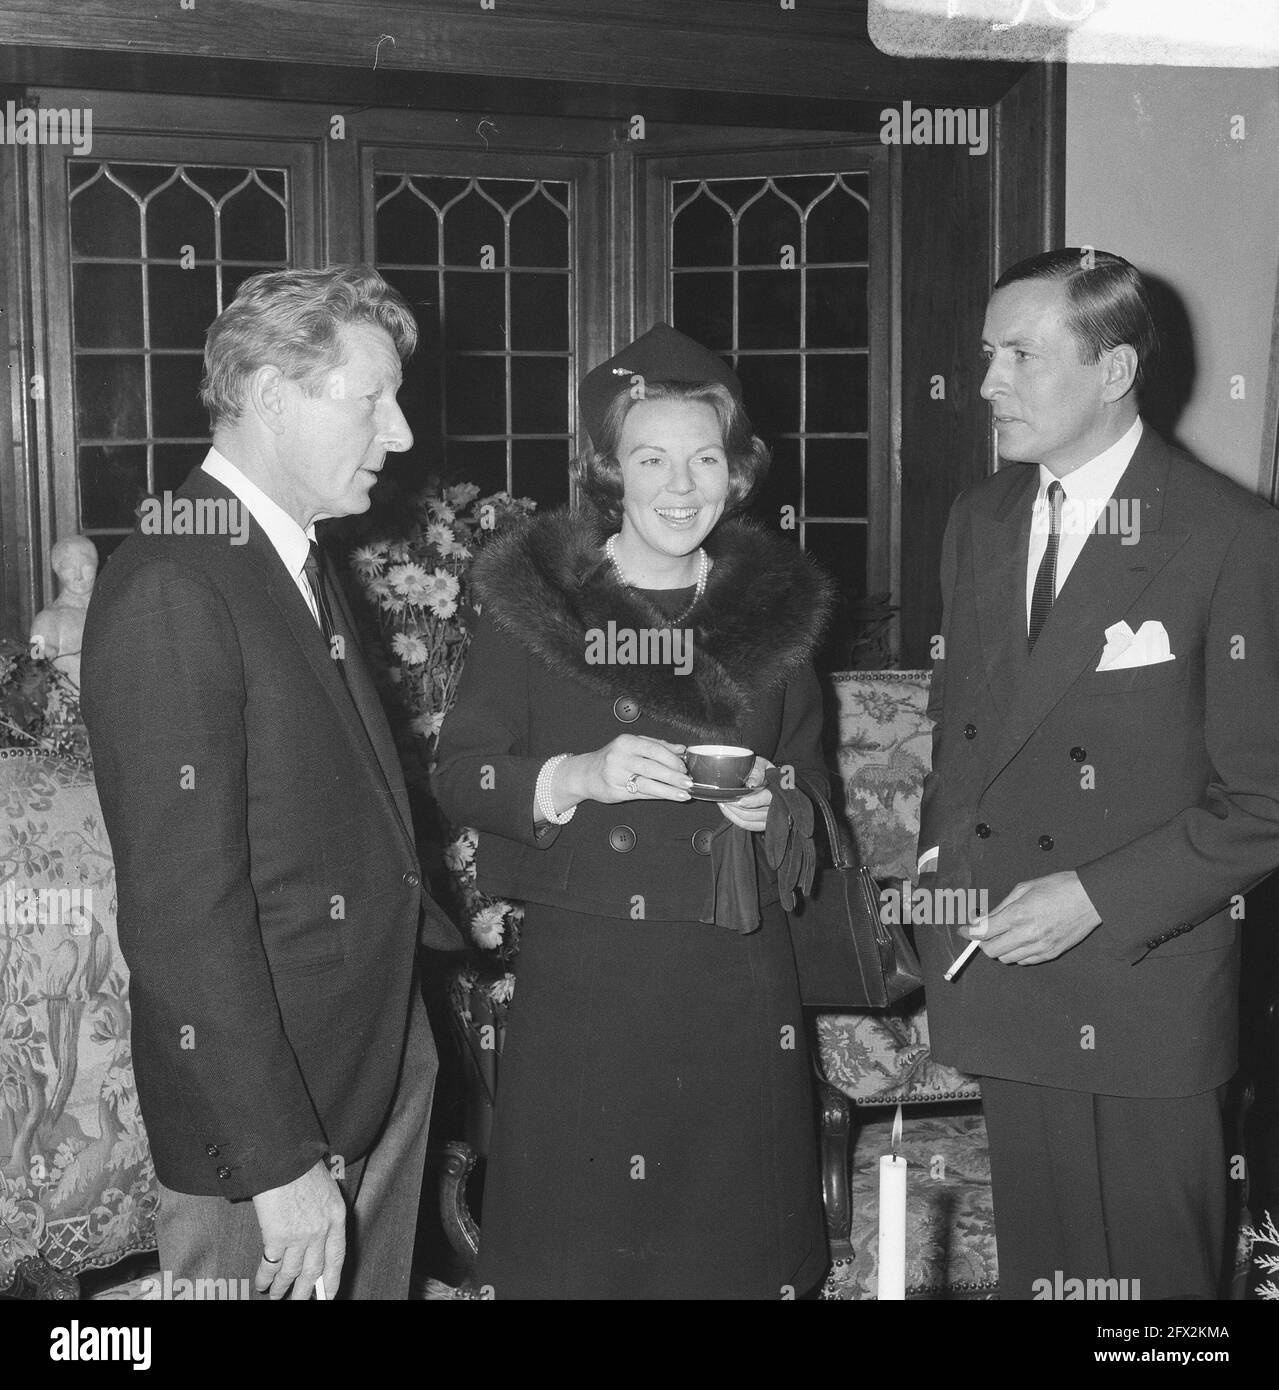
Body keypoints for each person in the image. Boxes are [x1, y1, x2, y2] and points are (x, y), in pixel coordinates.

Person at [81, 265, 460, 1301]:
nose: (400, 434)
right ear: (270, 396)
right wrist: (280, 1164)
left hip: (362, 1064)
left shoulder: (282, 556)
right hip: (272, 1120)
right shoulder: (174, 582)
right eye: (370, 398)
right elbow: (179, 917)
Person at [434, 323, 834, 1299]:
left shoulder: (776, 607)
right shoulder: (536, 608)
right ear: (609, 468)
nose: (682, 484)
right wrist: (575, 775)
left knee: (728, 1251)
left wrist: (775, 806)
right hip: (592, 985)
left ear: (737, 472)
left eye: (705, 458)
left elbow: (813, 787)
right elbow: (460, 771)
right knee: (588, 1250)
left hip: (736, 976)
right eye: (651, 457)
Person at [916, 248, 1279, 1299]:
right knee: (1049, 1279)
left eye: (1019, 357)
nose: (986, 384)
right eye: (987, 355)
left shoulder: (1230, 536)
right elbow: (965, 737)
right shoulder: (978, 520)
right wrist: (942, 871)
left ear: (1112, 370)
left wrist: (1091, 897)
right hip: (1007, 970)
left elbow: (1266, 800)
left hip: (1138, 986)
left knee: (1155, 1301)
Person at [29, 533, 98, 686]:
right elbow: (33, 668)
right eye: (69, 568)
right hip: (69, 706)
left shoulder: (112, 611)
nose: (79, 576)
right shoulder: (46, 619)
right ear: (57, 569)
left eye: (87, 566)